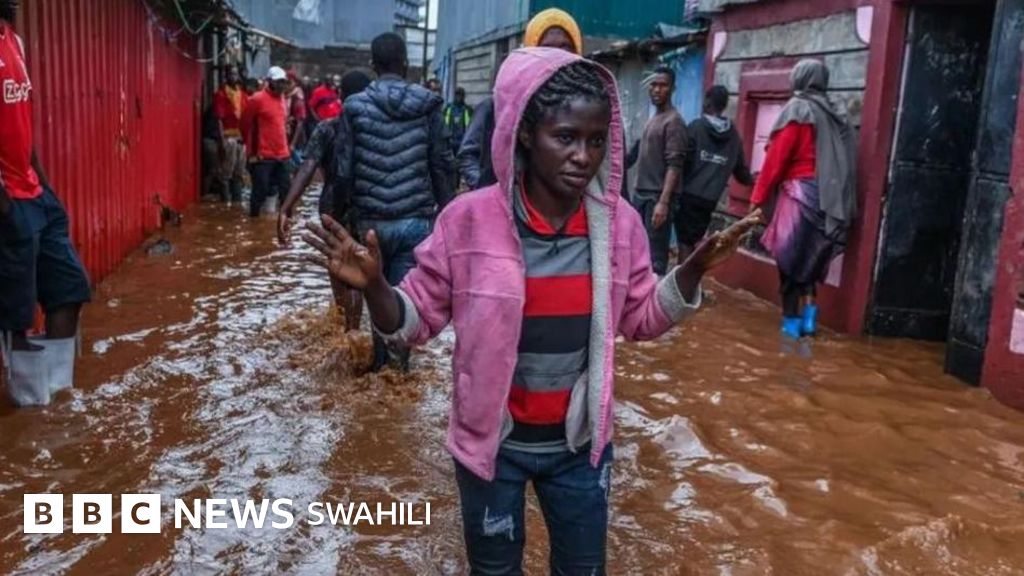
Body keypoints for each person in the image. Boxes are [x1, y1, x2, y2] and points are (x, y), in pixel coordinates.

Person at [304, 48, 761, 574]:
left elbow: (639, 318)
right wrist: (379, 287)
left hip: (579, 446)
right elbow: (415, 321)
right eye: (564, 137)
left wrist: (690, 274)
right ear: (524, 132)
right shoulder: (467, 222)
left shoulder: (619, 227)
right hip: (490, 449)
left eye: (595, 141)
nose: (582, 156)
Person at [334, 32, 454, 372]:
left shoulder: (354, 107)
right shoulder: (429, 104)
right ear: (406, 64)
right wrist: (449, 217)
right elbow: (442, 164)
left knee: (375, 293)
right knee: (405, 300)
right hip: (415, 222)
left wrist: (339, 218)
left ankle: (378, 371)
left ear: (373, 66)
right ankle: (397, 375)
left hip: (370, 223)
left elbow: (343, 171)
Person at [0, 0, 92, 406]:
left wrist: (47, 189)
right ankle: (32, 412)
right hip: (8, 200)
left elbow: (22, 123)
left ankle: (59, 398)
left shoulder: (14, 41)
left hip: (36, 193)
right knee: (17, 316)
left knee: (70, 288)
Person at [750, 59, 857, 339]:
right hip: (829, 200)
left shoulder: (798, 109)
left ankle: (790, 331)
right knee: (811, 263)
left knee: (789, 263)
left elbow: (776, 160)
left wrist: (758, 197)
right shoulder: (835, 114)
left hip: (800, 196)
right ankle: (810, 324)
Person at [278, 71, 373, 331]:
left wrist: (287, 207)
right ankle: (357, 332)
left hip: (333, 208)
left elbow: (307, 169)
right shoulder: (377, 130)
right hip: (369, 209)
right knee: (362, 271)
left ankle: (348, 330)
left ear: (340, 96)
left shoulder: (327, 128)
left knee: (339, 268)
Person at [458, 8, 582, 191]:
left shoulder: (593, 110)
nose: (558, 57)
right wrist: (484, 190)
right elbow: (468, 154)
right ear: (532, 51)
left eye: (566, 48)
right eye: (547, 48)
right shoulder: (498, 106)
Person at [675, 85, 753, 264]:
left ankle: (682, 287)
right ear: (724, 106)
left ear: (708, 101)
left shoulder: (696, 127)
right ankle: (691, 285)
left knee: (685, 244)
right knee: (695, 242)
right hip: (710, 200)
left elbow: (682, 162)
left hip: (689, 195)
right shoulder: (733, 136)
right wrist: (756, 180)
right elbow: (741, 172)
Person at [629, 66, 687, 276]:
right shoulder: (653, 119)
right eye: (654, 84)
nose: (656, 90)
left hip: (657, 198)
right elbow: (632, 156)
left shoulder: (674, 122)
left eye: (663, 85)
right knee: (637, 250)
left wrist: (663, 203)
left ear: (672, 89)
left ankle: (654, 302)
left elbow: (675, 165)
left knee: (655, 256)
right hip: (641, 195)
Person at [241, 66, 292, 218]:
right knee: (260, 190)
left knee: (287, 190)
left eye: (284, 82)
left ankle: (286, 222)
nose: (282, 85)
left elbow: (281, 123)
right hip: (262, 154)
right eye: (279, 82)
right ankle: (254, 221)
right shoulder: (257, 99)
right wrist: (251, 150)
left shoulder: (282, 99)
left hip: (282, 153)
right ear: (270, 82)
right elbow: (244, 124)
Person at [211, 65, 249, 203]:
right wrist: (221, 141)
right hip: (228, 137)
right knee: (226, 173)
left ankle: (236, 205)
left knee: (239, 173)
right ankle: (225, 205)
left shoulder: (243, 95)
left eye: (235, 74)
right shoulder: (221, 95)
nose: (234, 77)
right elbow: (219, 120)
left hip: (241, 138)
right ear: (226, 76)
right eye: (231, 74)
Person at [443, 87, 473, 158]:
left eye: (460, 95)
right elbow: (442, 123)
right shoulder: (448, 108)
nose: (458, 97)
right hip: (450, 140)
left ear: (463, 96)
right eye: (457, 95)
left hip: (463, 140)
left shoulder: (468, 110)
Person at [286, 70, 308, 156]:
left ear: (294, 83)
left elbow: (300, 122)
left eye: (289, 82)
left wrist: (293, 144)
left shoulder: (297, 98)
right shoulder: (285, 95)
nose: (287, 85)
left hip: (295, 136)